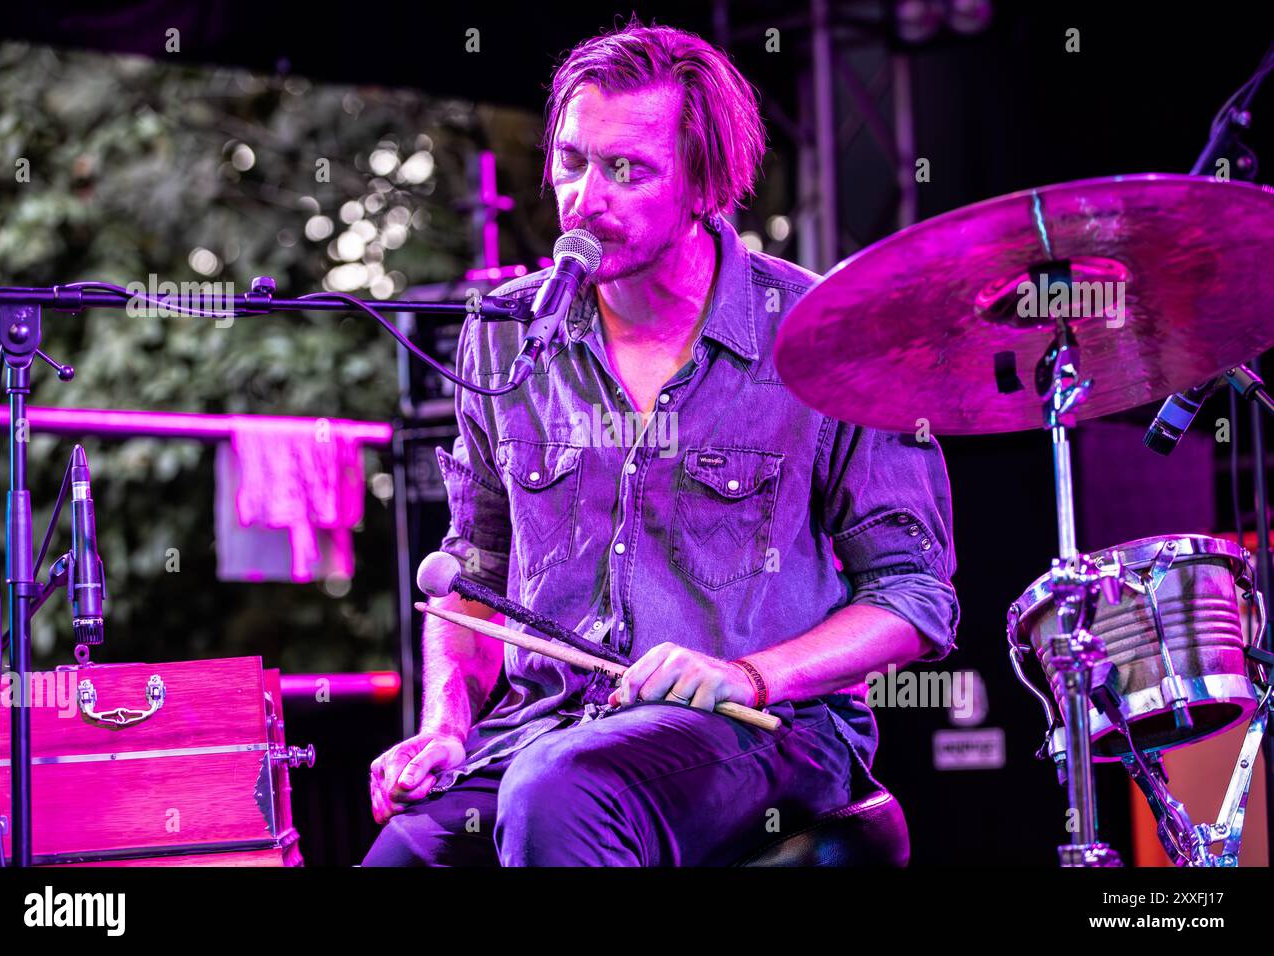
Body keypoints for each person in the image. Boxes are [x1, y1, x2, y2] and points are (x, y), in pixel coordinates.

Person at [363, 20, 958, 867]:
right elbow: (472, 574)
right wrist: (445, 727)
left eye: (627, 170)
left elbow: (913, 601)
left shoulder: (829, 337)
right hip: (544, 728)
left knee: (557, 795)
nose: (584, 198)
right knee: (403, 856)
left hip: (764, 731)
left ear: (705, 183)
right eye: (572, 161)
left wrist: (747, 675)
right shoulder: (501, 336)